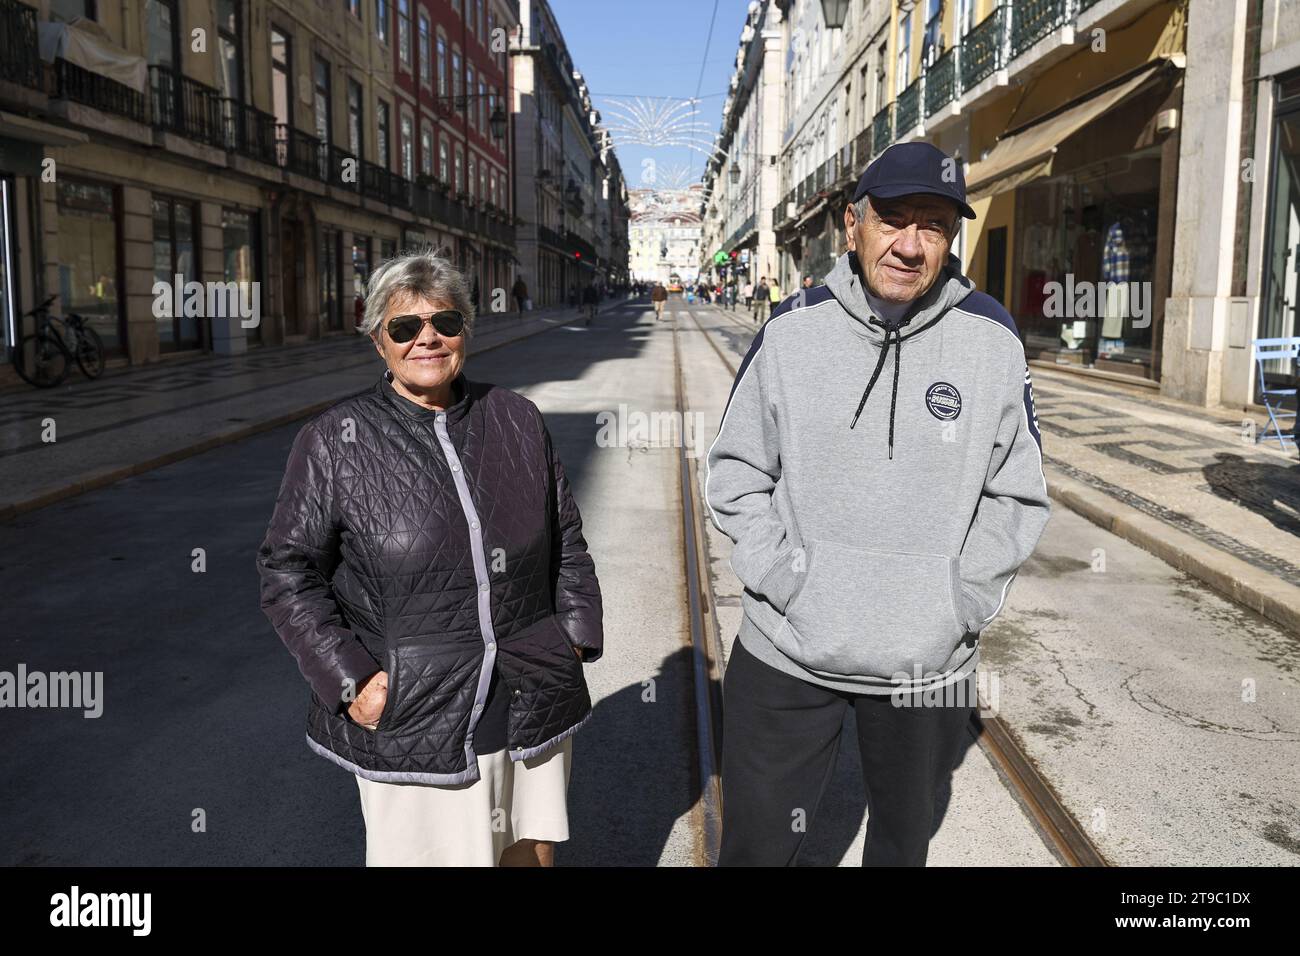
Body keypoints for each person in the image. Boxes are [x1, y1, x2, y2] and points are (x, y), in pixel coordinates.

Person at [705, 142, 1050, 866]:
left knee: (900, 848)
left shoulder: (990, 339)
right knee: (757, 850)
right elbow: (735, 472)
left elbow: (1017, 493)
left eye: (933, 226)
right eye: (894, 219)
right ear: (853, 222)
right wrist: (788, 580)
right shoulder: (791, 330)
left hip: (925, 665)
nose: (910, 244)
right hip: (787, 654)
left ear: (951, 238)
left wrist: (957, 602)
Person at [258, 249, 603, 867]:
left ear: (465, 329)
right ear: (377, 341)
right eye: (404, 328)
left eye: (444, 323)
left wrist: (573, 636)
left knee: (530, 853)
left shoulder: (516, 418)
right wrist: (352, 680)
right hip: (417, 712)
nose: (427, 340)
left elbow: (566, 538)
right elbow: (288, 572)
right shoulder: (336, 438)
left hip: (530, 690)